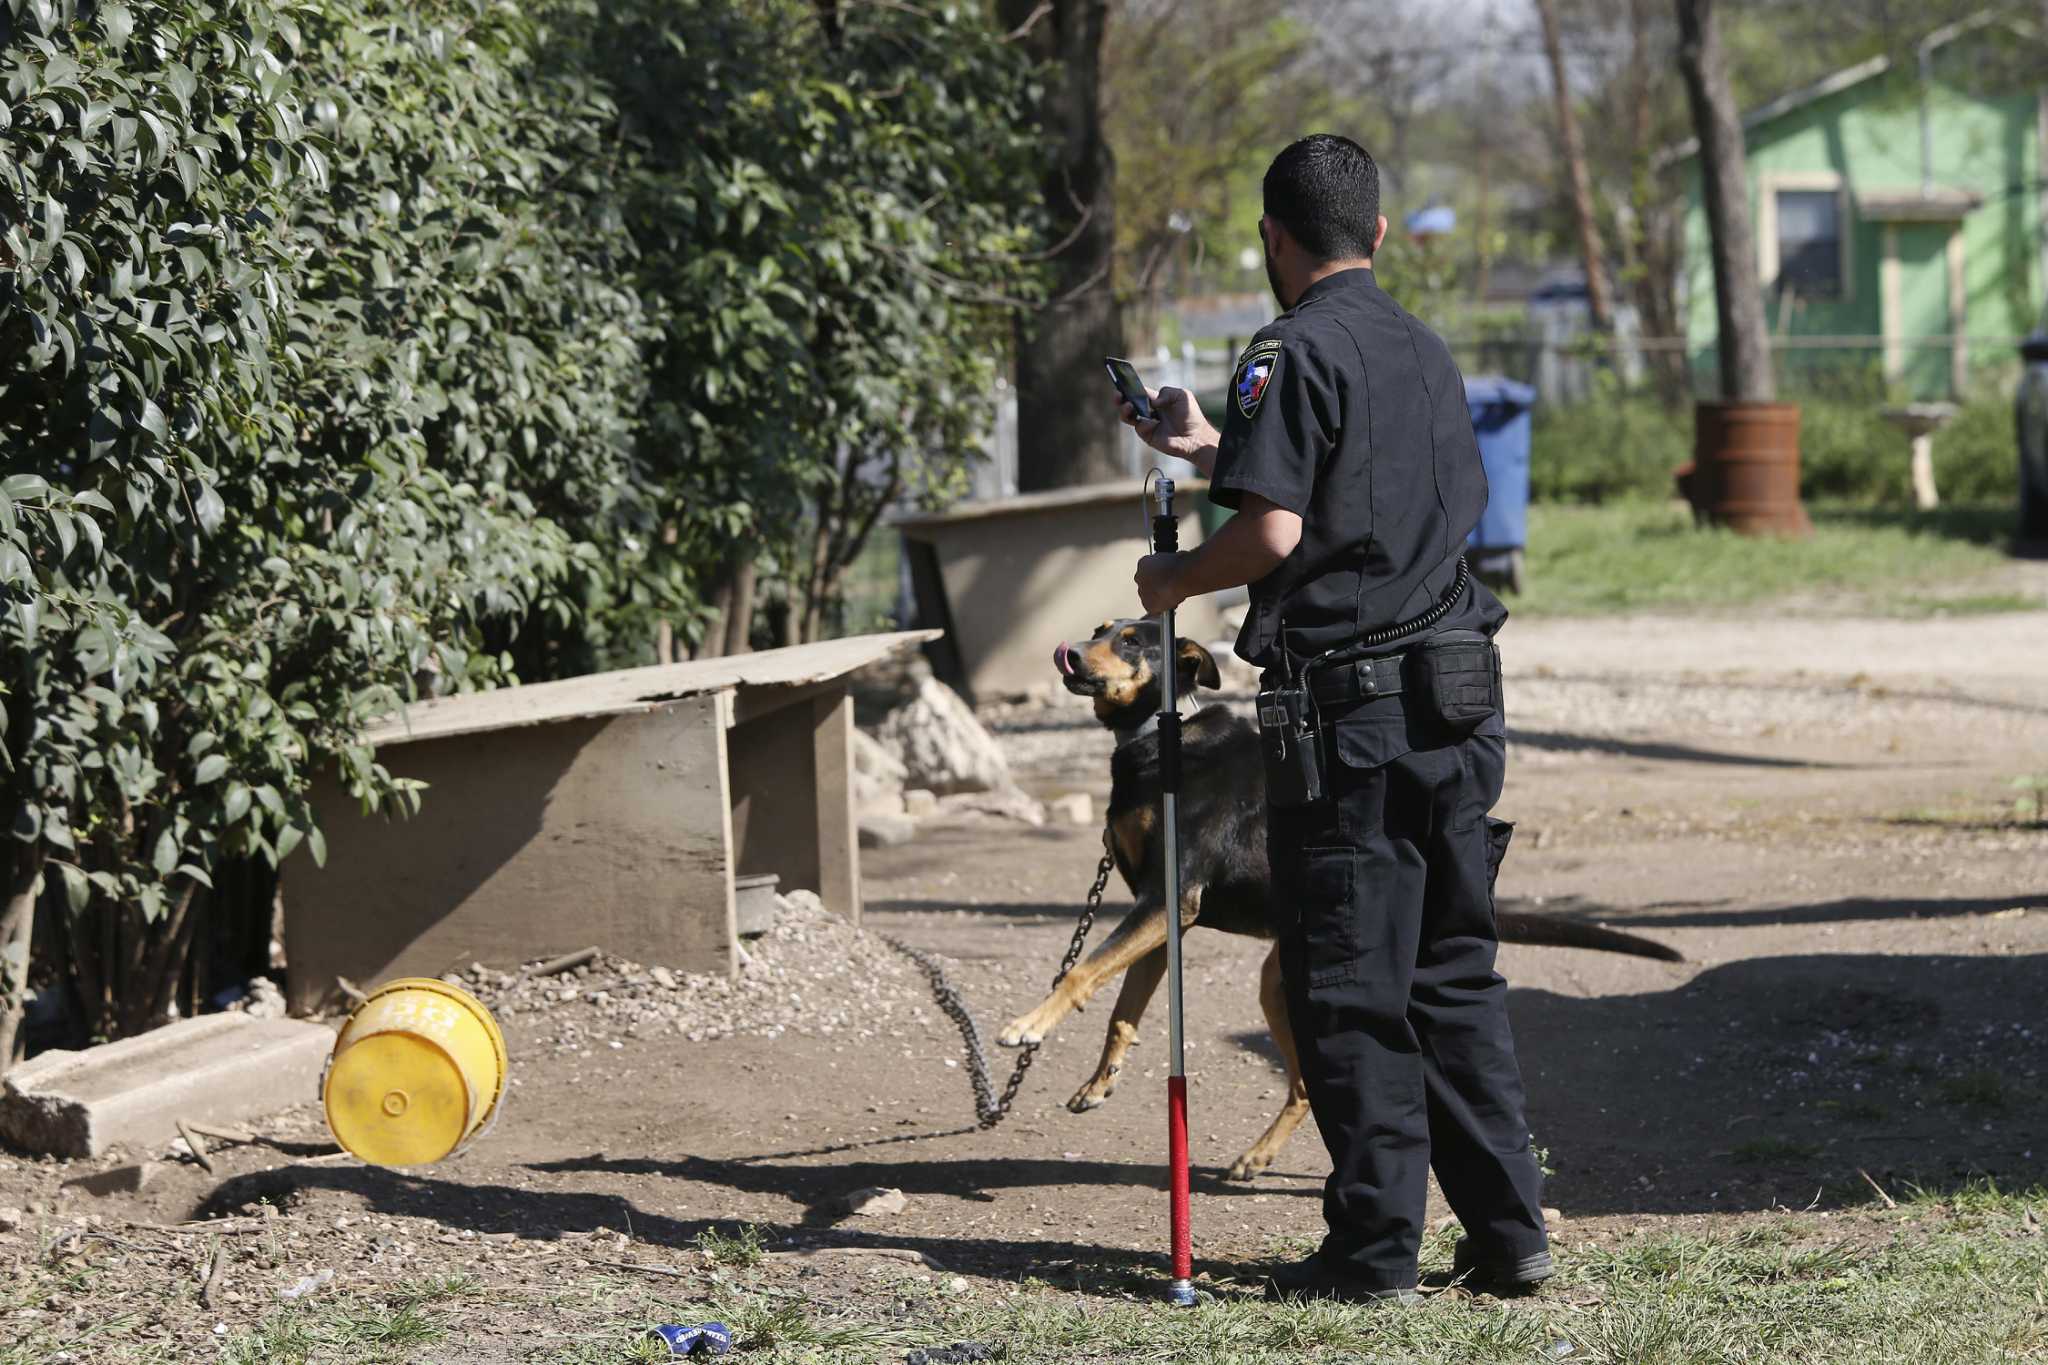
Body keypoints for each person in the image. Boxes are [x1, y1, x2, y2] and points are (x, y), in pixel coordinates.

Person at [1116, 133, 1552, 1304]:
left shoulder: (1285, 347)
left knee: (1348, 982)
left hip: (1352, 717)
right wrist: (1212, 447)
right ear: (1372, 230)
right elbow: (1355, 488)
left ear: (1274, 237)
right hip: (1456, 701)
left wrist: (1170, 586)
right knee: (1450, 970)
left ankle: (1370, 1258)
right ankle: (1508, 1235)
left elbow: (1272, 536)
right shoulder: (1421, 345)